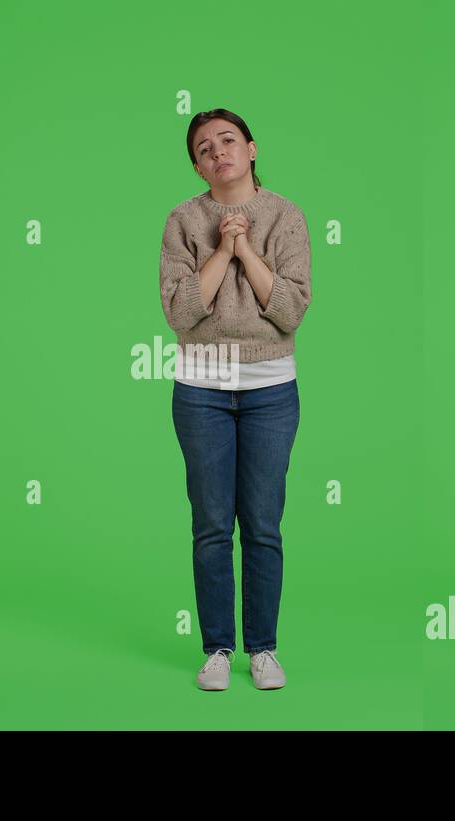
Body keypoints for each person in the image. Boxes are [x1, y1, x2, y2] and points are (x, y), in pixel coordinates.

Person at [159, 109, 311, 691]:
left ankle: (264, 648)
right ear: (197, 165)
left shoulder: (286, 216)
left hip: (271, 388)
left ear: (251, 148)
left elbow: (291, 310)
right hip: (201, 390)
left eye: (227, 141)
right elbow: (180, 311)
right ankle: (218, 648)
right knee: (212, 523)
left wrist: (247, 251)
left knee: (264, 523)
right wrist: (220, 251)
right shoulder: (182, 220)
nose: (217, 152)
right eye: (203, 148)